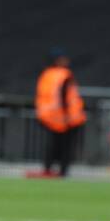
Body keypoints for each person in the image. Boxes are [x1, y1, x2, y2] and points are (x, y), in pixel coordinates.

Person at [35, 49, 86, 178]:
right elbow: (63, 96)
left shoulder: (46, 74)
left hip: (50, 116)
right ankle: (62, 171)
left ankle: (48, 168)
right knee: (66, 146)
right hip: (67, 117)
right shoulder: (64, 74)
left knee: (53, 145)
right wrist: (66, 115)